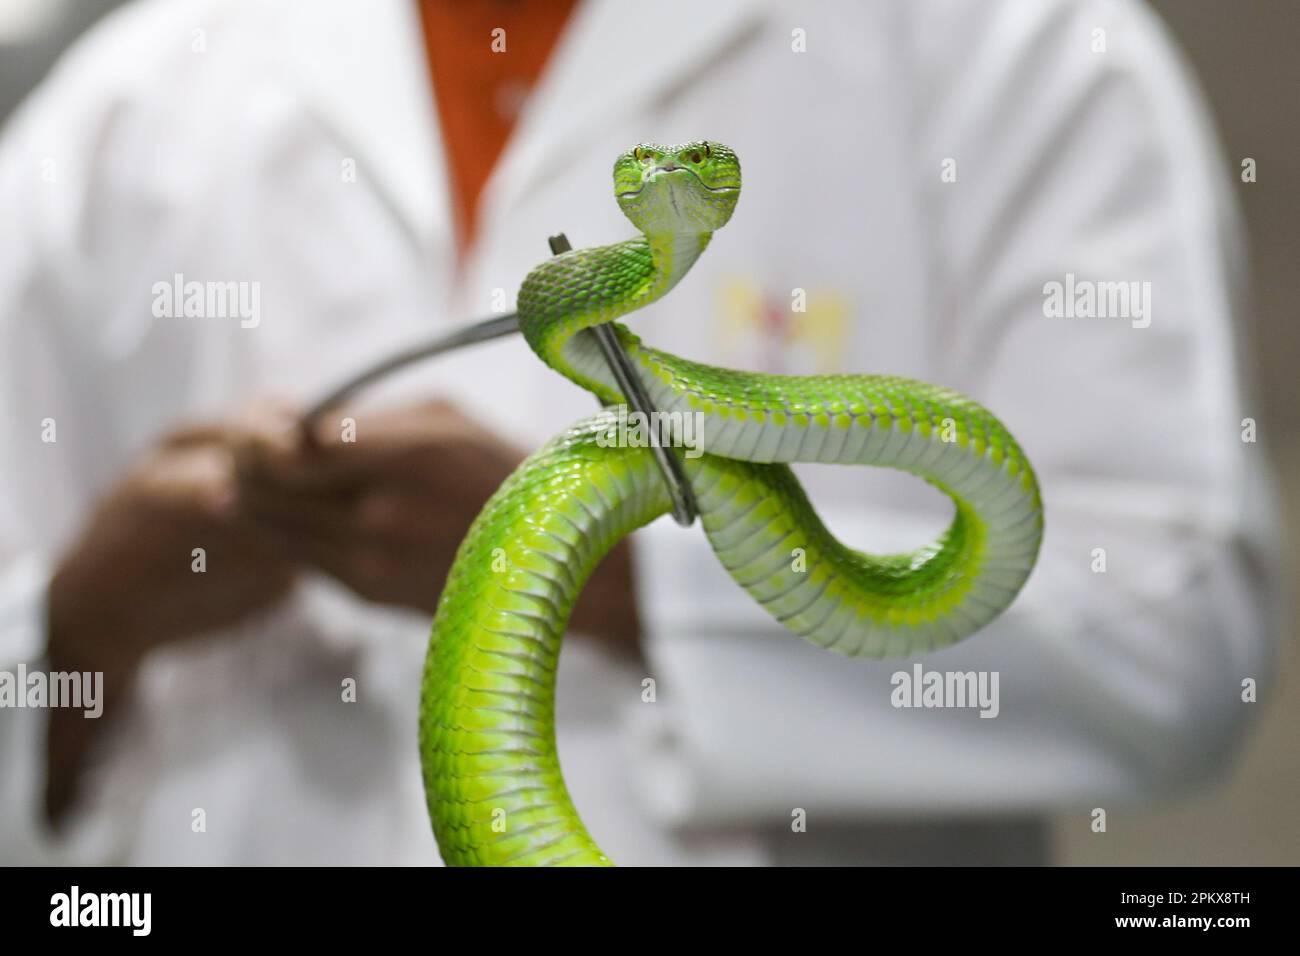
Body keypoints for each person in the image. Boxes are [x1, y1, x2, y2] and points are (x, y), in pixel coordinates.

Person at [0, 0, 1280, 865]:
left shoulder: (1011, 47)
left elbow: (1173, 637)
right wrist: (84, 617)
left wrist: (616, 573)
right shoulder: (138, 95)